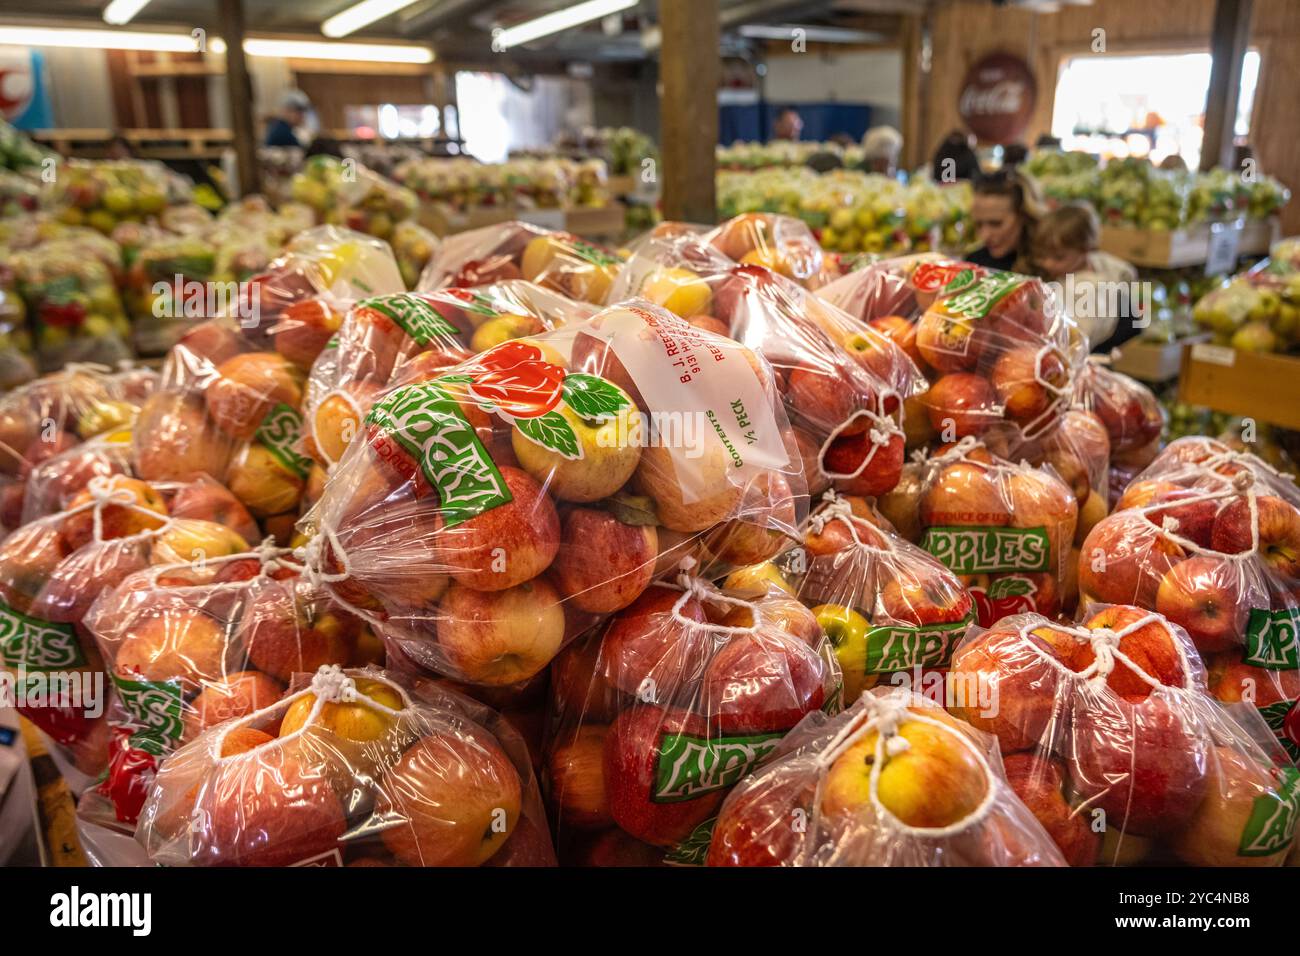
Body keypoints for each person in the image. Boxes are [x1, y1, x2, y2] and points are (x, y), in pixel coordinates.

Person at [1034, 202, 1140, 352]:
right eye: (1042, 256)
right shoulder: (1105, 266)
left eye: (1058, 258)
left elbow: (1077, 340)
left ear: (1085, 249)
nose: (1048, 264)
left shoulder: (1087, 290)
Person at [966, 169, 1045, 272]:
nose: (985, 236)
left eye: (996, 224)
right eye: (978, 224)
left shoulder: (1052, 265)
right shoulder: (974, 264)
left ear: (1024, 216)